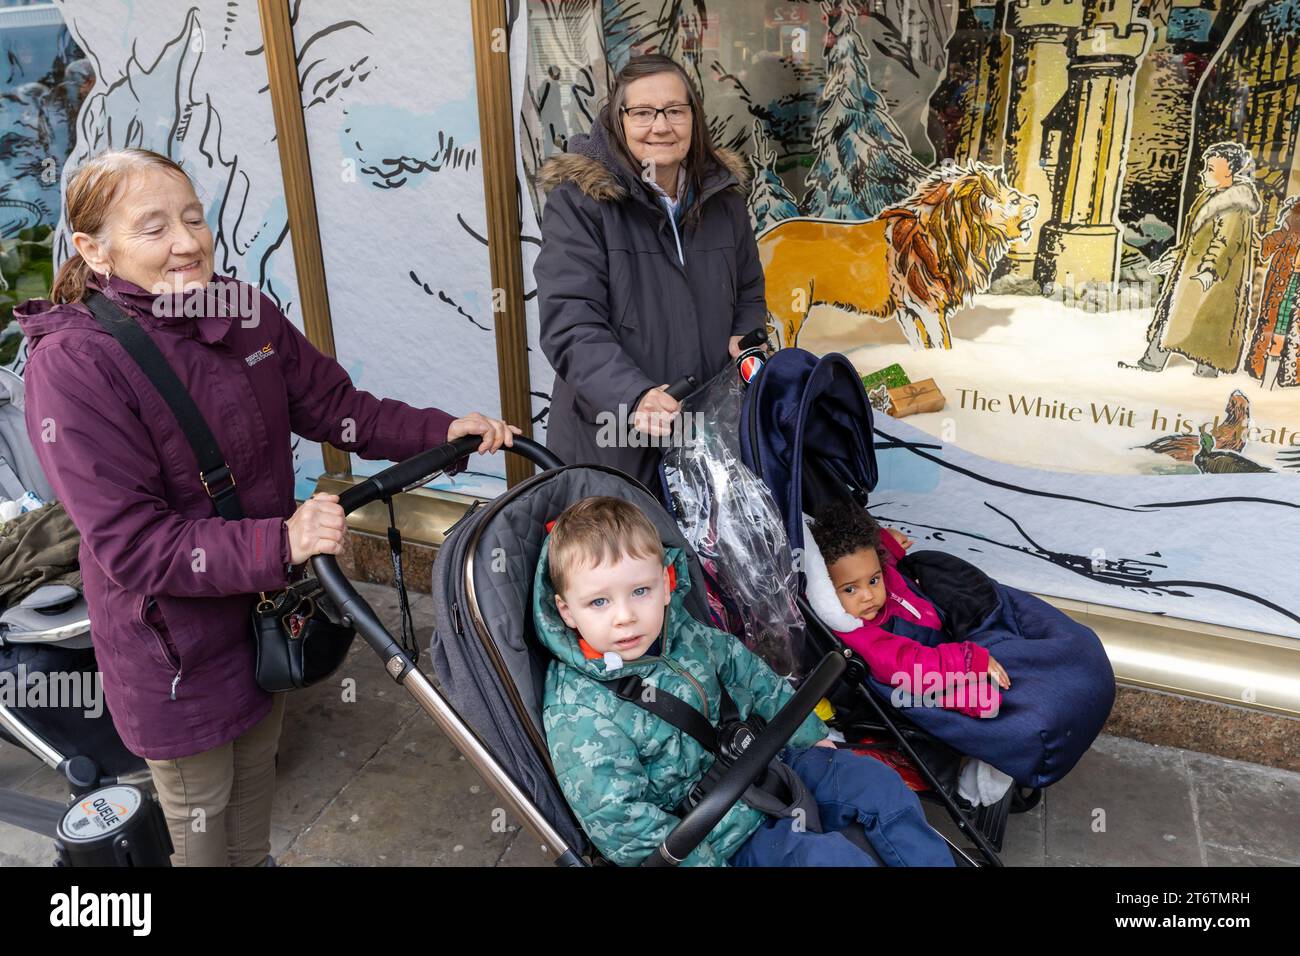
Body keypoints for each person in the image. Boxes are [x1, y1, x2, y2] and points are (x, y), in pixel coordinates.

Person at [16, 147, 520, 866]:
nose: (187, 241)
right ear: (96, 250)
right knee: (202, 825)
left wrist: (439, 430)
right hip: (173, 651)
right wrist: (279, 543)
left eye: (193, 217)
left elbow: (336, 408)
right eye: (153, 227)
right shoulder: (75, 365)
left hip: (260, 621)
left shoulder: (240, 311)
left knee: (254, 810)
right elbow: (130, 542)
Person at [534, 495, 954, 867]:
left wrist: (809, 735)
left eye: (639, 591)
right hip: (716, 834)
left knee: (879, 785)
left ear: (665, 585)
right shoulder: (580, 711)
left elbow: (754, 679)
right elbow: (621, 823)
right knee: (829, 859)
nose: (624, 616)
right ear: (568, 612)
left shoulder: (689, 634)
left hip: (767, 761)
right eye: (599, 602)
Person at [534, 54, 767, 493]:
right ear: (617, 120)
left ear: (693, 118)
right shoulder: (581, 203)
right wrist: (633, 395)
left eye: (675, 111)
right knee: (631, 560)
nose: (661, 126)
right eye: (642, 113)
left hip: (709, 434)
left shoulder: (722, 199)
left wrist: (746, 339)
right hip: (610, 441)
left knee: (704, 557)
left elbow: (749, 288)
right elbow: (571, 322)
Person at [805, 505, 1008, 719]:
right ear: (826, 591)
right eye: (850, 589)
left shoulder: (874, 574)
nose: (868, 595)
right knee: (986, 700)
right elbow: (908, 665)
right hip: (931, 666)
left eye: (874, 580)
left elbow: (874, 559)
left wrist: (887, 543)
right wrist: (968, 661)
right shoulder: (863, 636)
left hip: (943, 626)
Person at [1121, 141, 1261, 378]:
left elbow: (1224, 242)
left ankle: (1205, 376)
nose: (1204, 172)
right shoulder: (1211, 198)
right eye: (1206, 167)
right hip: (1190, 271)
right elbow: (1194, 240)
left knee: (1207, 325)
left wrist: (1209, 270)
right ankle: (1151, 363)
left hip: (1212, 279)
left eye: (1210, 168)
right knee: (1172, 315)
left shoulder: (1234, 206)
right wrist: (1173, 258)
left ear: (1228, 171)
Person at [1245, 195, 1300, 389]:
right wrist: (1258, 242)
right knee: (1277, 334)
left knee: (1292, 340)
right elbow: (1275, 238)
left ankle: (1281, 382)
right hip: (1285, 283)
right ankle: (1268, 384)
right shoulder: (1295, 215)